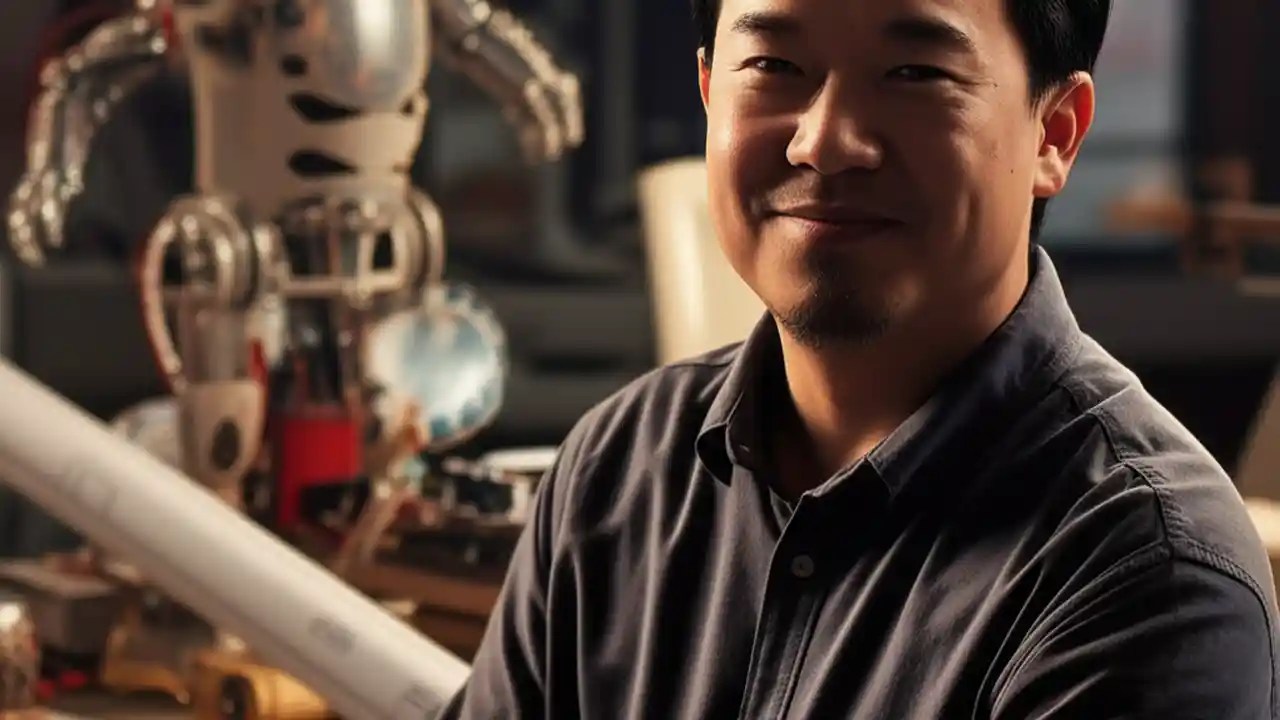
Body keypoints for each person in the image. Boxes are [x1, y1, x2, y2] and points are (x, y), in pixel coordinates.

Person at [442, 0, 1280, 717]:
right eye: (773, 62)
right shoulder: (618, 469)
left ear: (1054, 133)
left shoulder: (1148, 571)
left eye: (914, 74)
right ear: (707, 96)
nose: (826, 140)